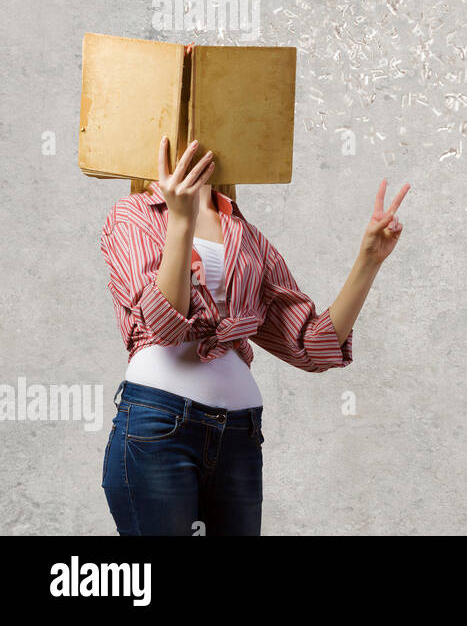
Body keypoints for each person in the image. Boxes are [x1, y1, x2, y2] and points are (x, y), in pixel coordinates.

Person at [99, 135, 409, 535]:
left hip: (239, 436)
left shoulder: (245, 234)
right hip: (159, 430)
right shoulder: (131, 215)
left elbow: (310, 346)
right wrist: (181, 220)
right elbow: (165, 327)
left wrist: (369, 260)